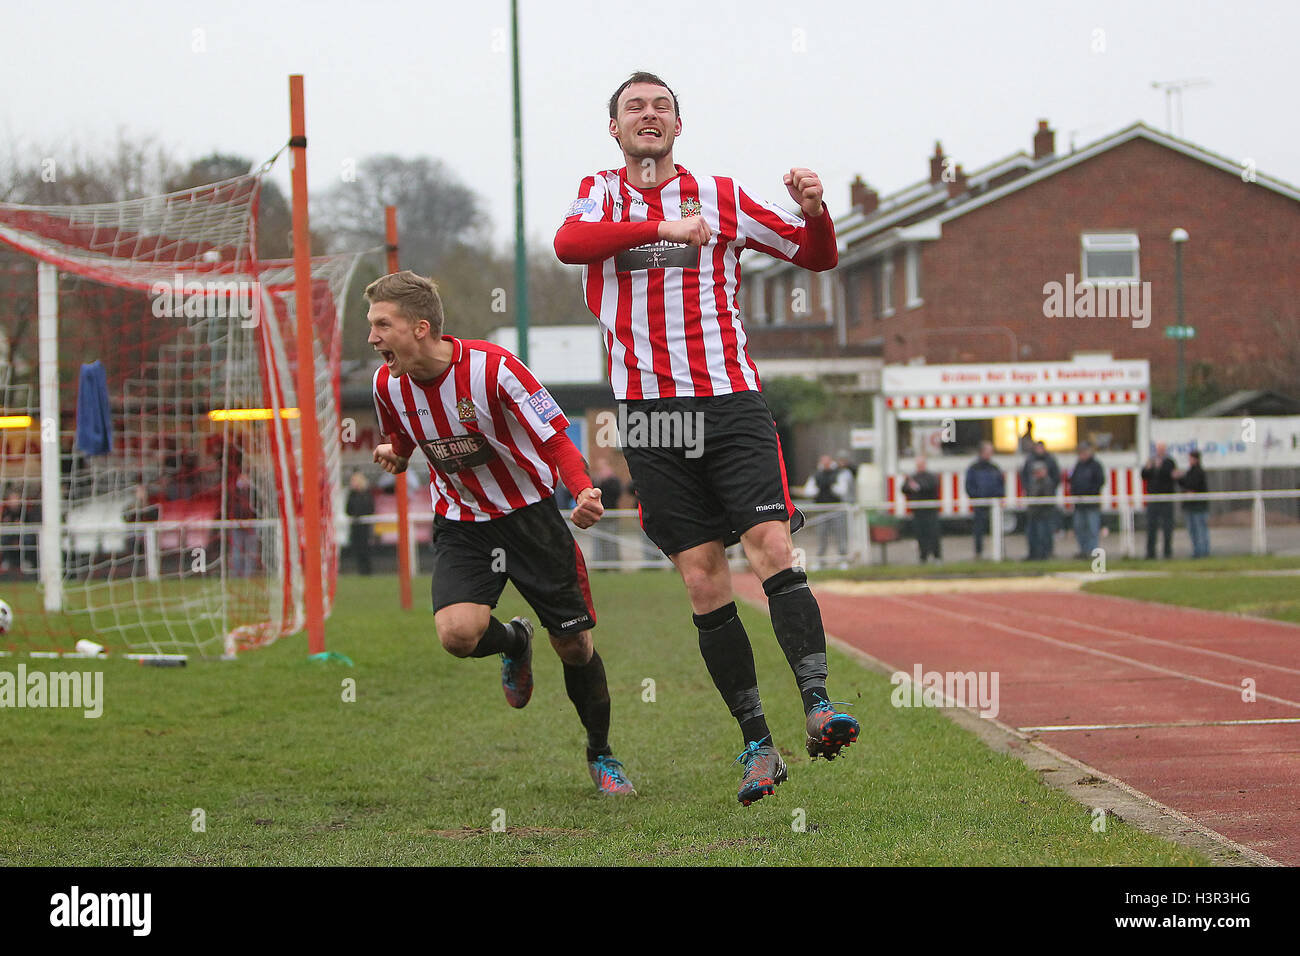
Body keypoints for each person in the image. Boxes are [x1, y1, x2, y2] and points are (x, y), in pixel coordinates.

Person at [553, 70, 856, 806]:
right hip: (653, 417)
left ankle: (817, 703)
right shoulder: (598, 194)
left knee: (771, 546)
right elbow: (568, 244)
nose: (647, 116)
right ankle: (757, 744)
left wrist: (815, 212)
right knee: (700, 576)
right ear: (616, 130)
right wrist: (660, 228)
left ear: (678, 127)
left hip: (728, 402)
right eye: (634, 108)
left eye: (661, 107)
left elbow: (814, 255)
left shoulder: (720, 194)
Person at [367, 271, 635, 796]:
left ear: (420, 328)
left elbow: (554, 436)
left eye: (382, 324)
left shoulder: (494, 368)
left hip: (530, 519)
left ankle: (601, 754)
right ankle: (514, 639)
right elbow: (400, 437)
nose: (372, 337)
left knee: (576, 647)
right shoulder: (385, 384)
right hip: (464, 524)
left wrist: (583, 490)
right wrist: (394, 456)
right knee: (457, 635)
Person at [802, 454, 852, 567]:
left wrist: (831, 486)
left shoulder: (839, 473)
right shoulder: (816, 475)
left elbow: (843, 490)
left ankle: (843, 559)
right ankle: (820, 560)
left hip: (836, 509)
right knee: (821, 536)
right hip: (821, 509)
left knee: (840, 535)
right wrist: (819, 488)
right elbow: (808, 491)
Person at [964, 441, 1004, 559]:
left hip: (993, 504)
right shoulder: (974, 468)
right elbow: (969, 485)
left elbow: (1001, 483)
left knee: (996, 528)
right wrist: (976, 497)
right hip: (980, 503)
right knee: (978, 529)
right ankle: (978, 552)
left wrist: (1000, 497)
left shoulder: (994, 468)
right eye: (988, 452)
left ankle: (998, 553)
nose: (990, 454)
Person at [1020, 440, 1060, 558]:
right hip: (1034, 511)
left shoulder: (1047, 480)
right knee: (1033, 533)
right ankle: (1035, 554)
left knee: (1044, 533)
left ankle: (1045, 553)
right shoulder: (1032, 477)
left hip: (1044, 510)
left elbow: (1055, 481)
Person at [1068, 442, 1106, 559]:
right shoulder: (1078, 465)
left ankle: (1093, 552)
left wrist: (1090, 493)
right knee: (1080, 528)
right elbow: (1072, 480)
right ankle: (1083, 551)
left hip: (1091, 503)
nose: (1082, 455)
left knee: (1092, 528)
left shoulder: (1095, 466)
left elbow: (1100, 481)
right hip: (1079, 503)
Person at [1142, 443, 1178, 559]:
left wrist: (1160, 467)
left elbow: (1170, 475)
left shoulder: (1169, 462)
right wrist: (1149, 468)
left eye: (1162, 449)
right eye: (1158, 449)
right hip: (1153, 498)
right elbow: (1144, 475)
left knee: (1167, 526)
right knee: (1151, 526)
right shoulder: (1151, 461)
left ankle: (1167, 552)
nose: (1160, 452)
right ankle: (1150, 552)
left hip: (1166, 498)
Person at [902, 457, 942, 562]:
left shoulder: (931, 477)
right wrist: (910, 486)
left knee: (933, 534)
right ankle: (923, 556)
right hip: (917, 510)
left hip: (930, 510)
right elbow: (904, 488)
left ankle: (937, 556)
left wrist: (917, 487)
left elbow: (930, 487)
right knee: (920, 534)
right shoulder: (913, 477)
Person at [590, 459, 624, 565]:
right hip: (598, 515)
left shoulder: (613, 480)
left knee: (612, 540)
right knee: (598, 541)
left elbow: (616, 493)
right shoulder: (596, 481)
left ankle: (614, 563)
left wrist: (606, 481)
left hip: (611, 515)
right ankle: (600, 563)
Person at [1178, 449, 1209, 558]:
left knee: (1201, 530)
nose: (1189, 460)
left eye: (1191, 458)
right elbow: (1185, 484)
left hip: (1199, 507)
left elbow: (1194, 485)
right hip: (1190, 507)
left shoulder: (1199, 471)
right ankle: (1197, 552)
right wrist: (1179, 478)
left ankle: (1203, 552)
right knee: (1193, 531)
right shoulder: (1190, 471)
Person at [345, 470, 376, 576]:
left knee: (365, 548)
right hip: (356, 526)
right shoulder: (352, 495)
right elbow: (348, 510)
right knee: (357, 548)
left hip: (365, 526)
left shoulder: (366, 494)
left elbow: (371, 508)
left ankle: (368, 570)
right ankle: (361, 571)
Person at [1025, 461, 1056, 560]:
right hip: (1033, 514)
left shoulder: (1048, 483)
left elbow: (1046, 499)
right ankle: (1034, 554)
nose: (1037, 473)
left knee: (1043, 536)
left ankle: (1044, 555)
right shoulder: (1033, 482)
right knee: (1032, 536)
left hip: (1044, 514)